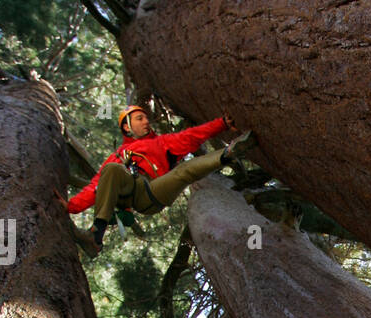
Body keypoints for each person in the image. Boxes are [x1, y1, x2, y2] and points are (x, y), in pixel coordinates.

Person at [56, 105, 256, 257]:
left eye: (146, 118)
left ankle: (230, 152)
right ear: (127, 126)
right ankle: (95, 235)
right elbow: (95, 186)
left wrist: (221, 124)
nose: (146, 122)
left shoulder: (160, 143)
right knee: (111, 170)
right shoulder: (117, 155)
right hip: (129, 192)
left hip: (152, 191)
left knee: (184, 170)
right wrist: (71, 206)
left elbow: (192, 136)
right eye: (139, 119)